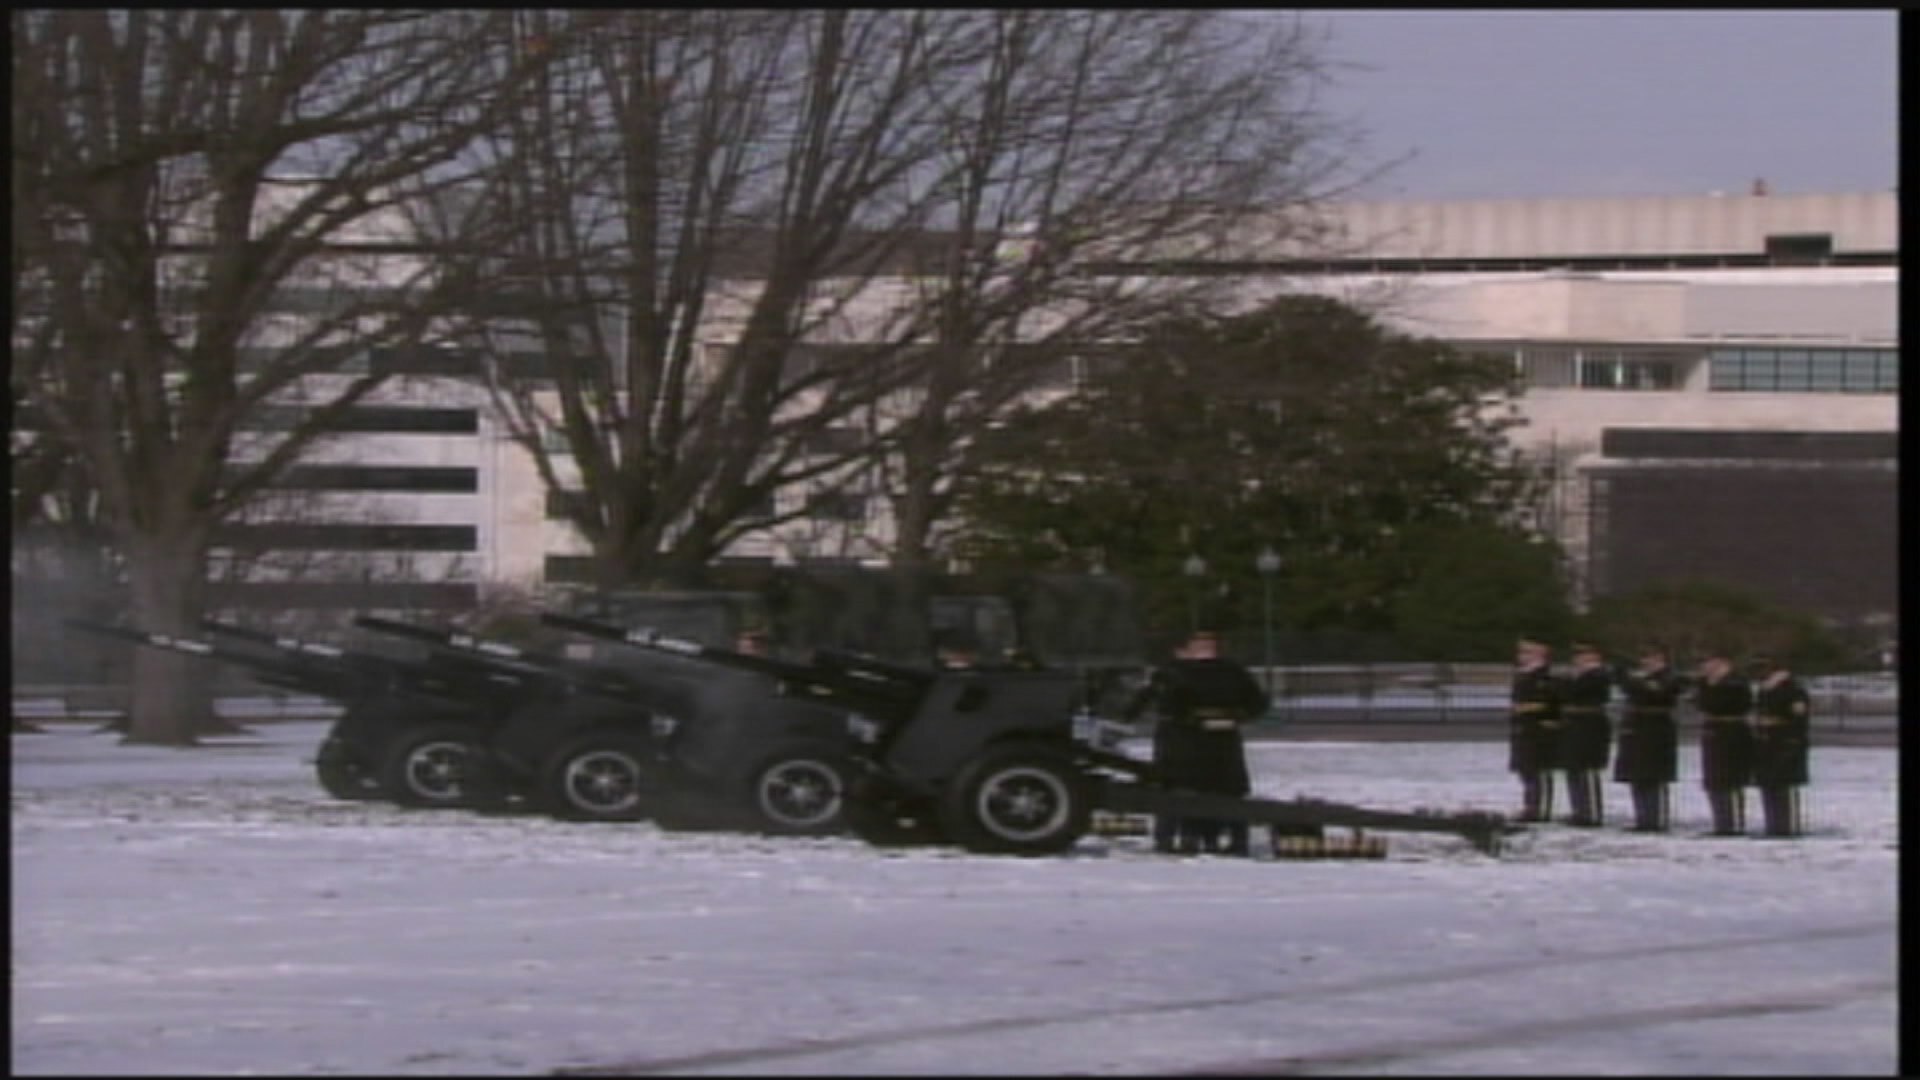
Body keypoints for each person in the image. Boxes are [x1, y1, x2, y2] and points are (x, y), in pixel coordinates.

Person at [1124, 630, 1266, 856]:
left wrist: (1128, 715)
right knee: (1226, 790)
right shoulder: (1233, 671)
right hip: (1221, 741)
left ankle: (1177, 838)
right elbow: (1257, 704)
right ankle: (1227, 839)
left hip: (1181, 740)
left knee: (1177, 788)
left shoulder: (1173, 672)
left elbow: (1150, 701)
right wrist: (1235, 716)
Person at [1614, 642, 1682, 832]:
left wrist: (1633, 682)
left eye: (1652, 658)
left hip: (1657, 732)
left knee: (1654, 777)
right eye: (1645, 658)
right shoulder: (1642, 678)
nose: (1647, 662)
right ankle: (1643, 818)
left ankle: (1656, 819)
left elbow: (1657, 694)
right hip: (1638, 731)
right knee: (1638, 776)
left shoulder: (1669, 678)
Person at [1749, 655, 1812, 838]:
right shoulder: (1765, 689)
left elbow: (1799, 716)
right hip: (1767, 742)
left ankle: (1785, 826)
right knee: (1768, 784)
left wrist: (1794, 740)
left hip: (1785, 740)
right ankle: (1773, 825)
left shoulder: (1792, 689)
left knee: (1784, 784)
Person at [1693, 649, 1754, 836]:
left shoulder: (1735, 682)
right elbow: (1699, 703)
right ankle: (1721, 823)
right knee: (1714, 780)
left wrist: (1709, 687)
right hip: (1714, 733)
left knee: (1730, 779)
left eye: (1710, 662)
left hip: (1732, 734)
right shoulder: (1707, 683)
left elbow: (1719, 704)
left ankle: (1732, 824)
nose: (1706, 667)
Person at [1508, 635, 1562, 823]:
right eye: (1522, 651)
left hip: (1539, 731)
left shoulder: (1544, 677)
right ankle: (1530, 806)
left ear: (1541, 653)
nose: (1522, 656)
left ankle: (1541, 809)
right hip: (1524, 729)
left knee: (1539, 771)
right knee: (1527, 770)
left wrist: (1527, 710)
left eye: (1528, 652)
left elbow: (1551, 705)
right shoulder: (1523, 675)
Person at [1559, 641, 1613, 827]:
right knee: (1573, 768)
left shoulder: (1599, 675)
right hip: (1574, 725)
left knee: (1587, 768)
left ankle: (1591, 813)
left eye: (1584, 656)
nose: (1579, 660)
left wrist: (1570, 681)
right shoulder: (1576, 676)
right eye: (1578, 656)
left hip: (1590, 725)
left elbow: (1576, 691)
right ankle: (1579, 810)